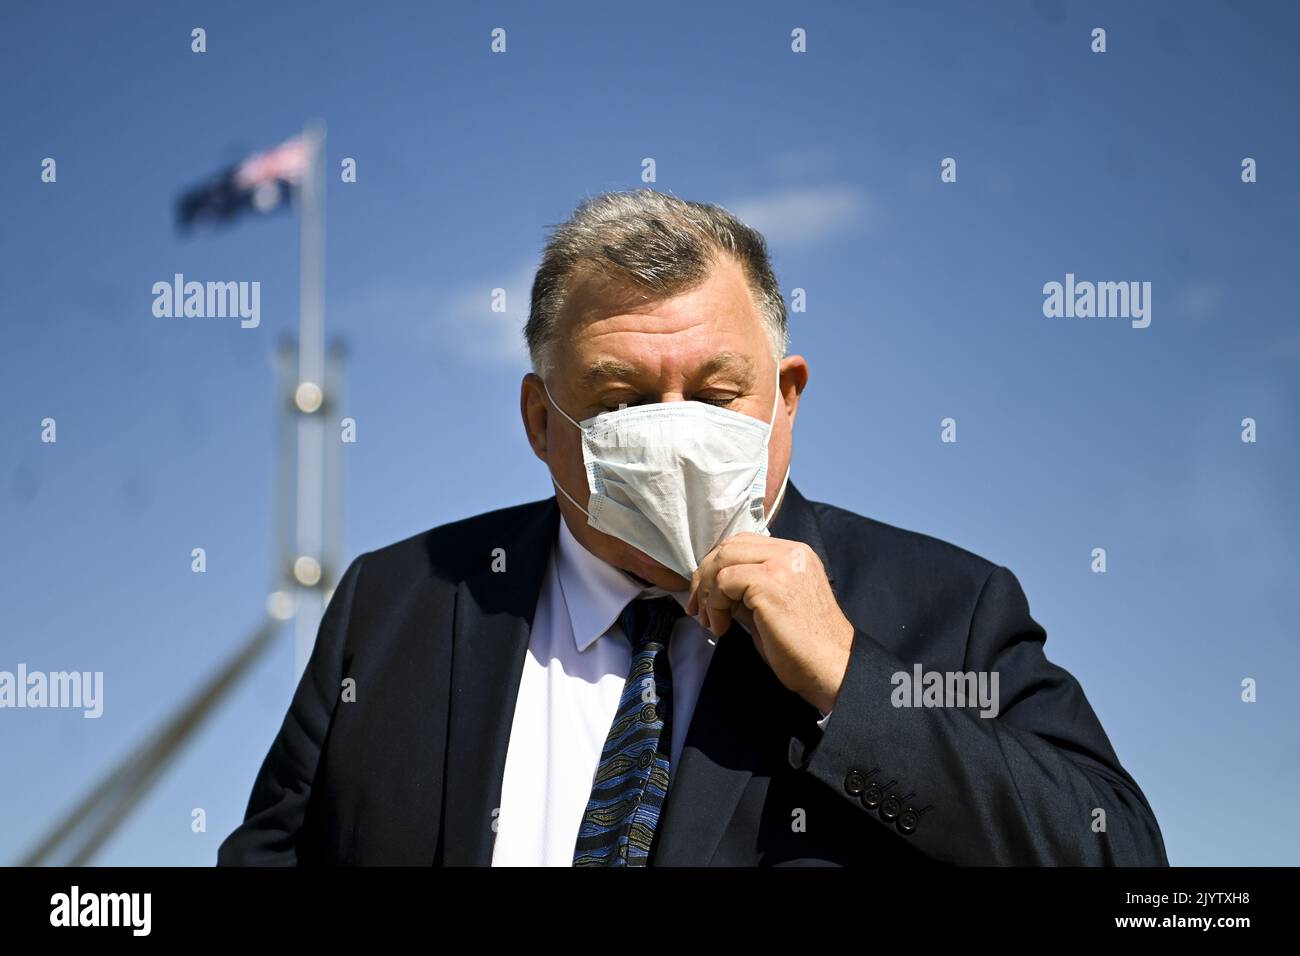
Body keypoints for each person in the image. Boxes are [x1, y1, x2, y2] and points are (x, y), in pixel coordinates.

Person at [217, 189, 1168, 866]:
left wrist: (852, 680)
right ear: (541, 420)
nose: (671, 431)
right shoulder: (395, 610)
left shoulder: (942, 607)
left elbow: (1117, 854)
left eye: (717, 393)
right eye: (622, 399)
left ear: (785, 398)